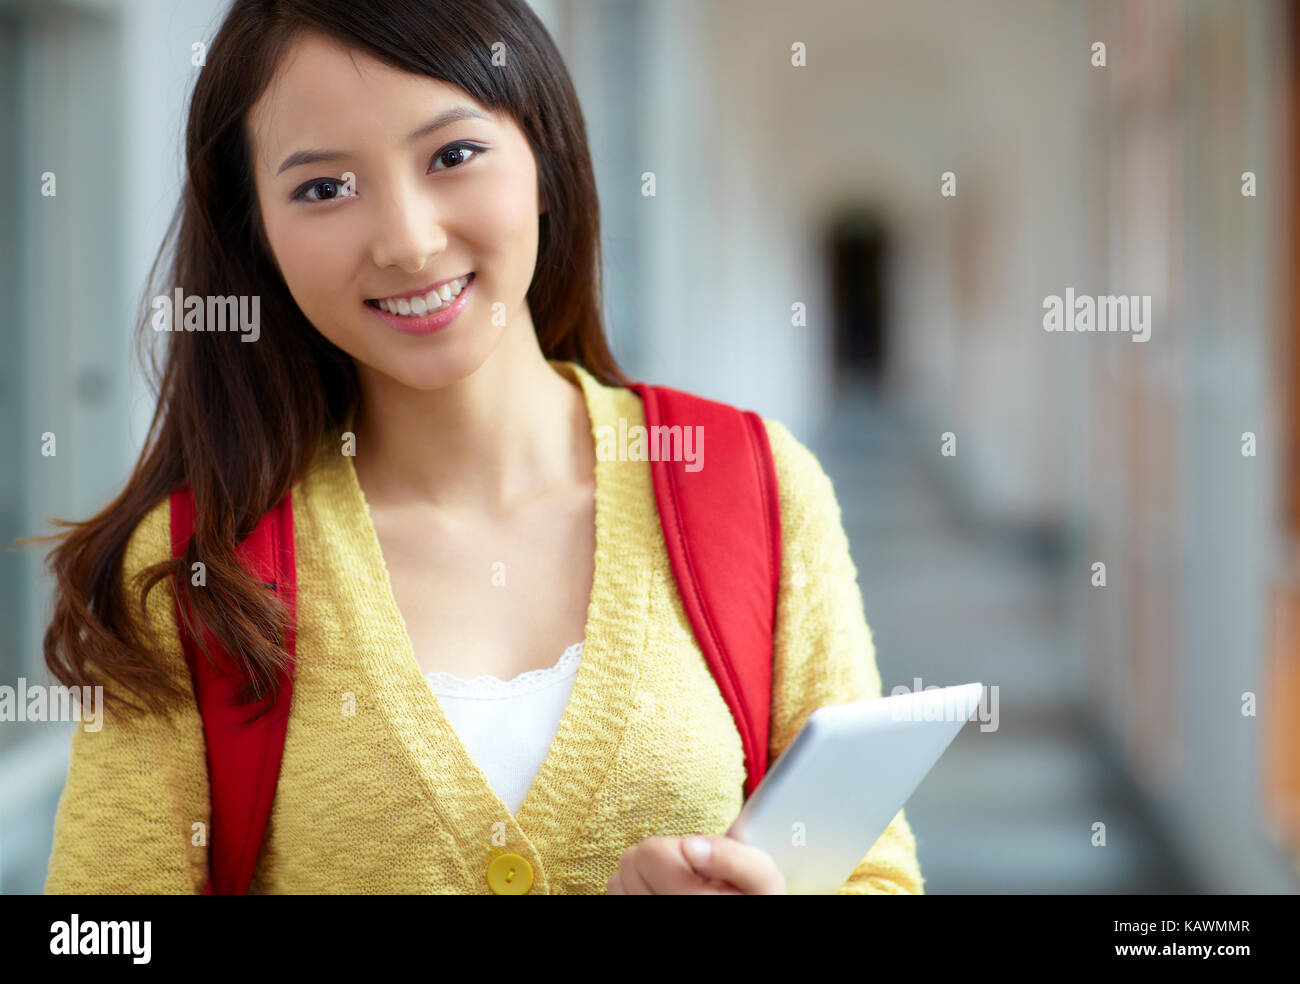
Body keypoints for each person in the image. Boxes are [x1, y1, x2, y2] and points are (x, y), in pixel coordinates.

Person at [39, 0, 923, 895]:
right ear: (255, 235)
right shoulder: (195, 565)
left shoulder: (751, 485)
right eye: (323, 188)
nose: (408, 241)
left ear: (544, 158)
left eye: (453, 156)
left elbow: (874, 872)